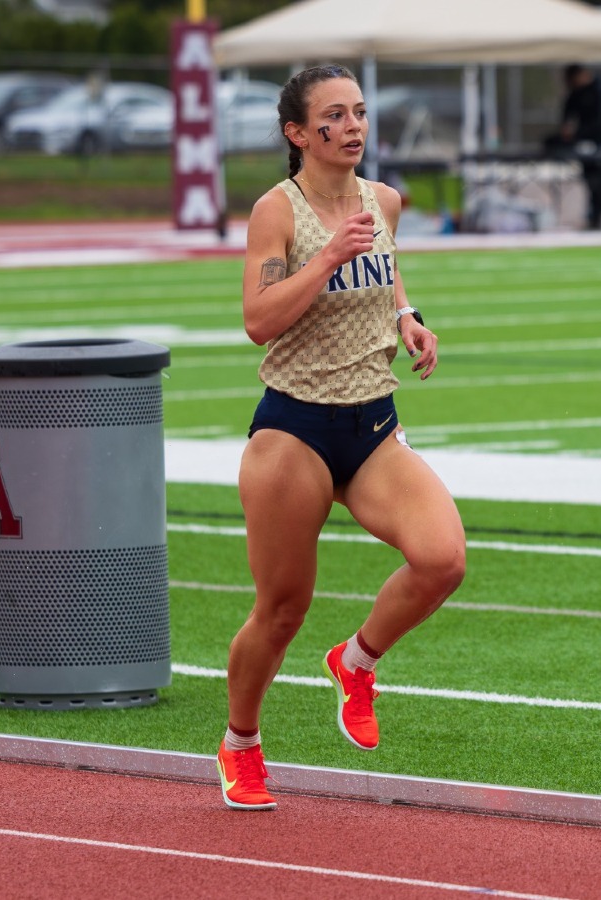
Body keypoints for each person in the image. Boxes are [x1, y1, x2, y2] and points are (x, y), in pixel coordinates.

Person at [218, 64, 467, 811]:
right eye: (335, 115)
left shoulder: (382, 199)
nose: (354, 126)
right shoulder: (277, 212)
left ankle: (356, 661)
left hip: (373, 424)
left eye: (359, 112)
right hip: (294, 429)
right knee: (282, 609)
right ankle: (241, 744)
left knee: (443, 559)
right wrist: (325, 258)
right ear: (299, 134)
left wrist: (407, 318)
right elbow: (259, 321)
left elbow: (385, 270)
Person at [560, 63, 601, 229]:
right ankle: (595, 216)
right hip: (585, 144)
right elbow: (567, 112)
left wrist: (577, 132)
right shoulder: (576, 93)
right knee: (591, 181)